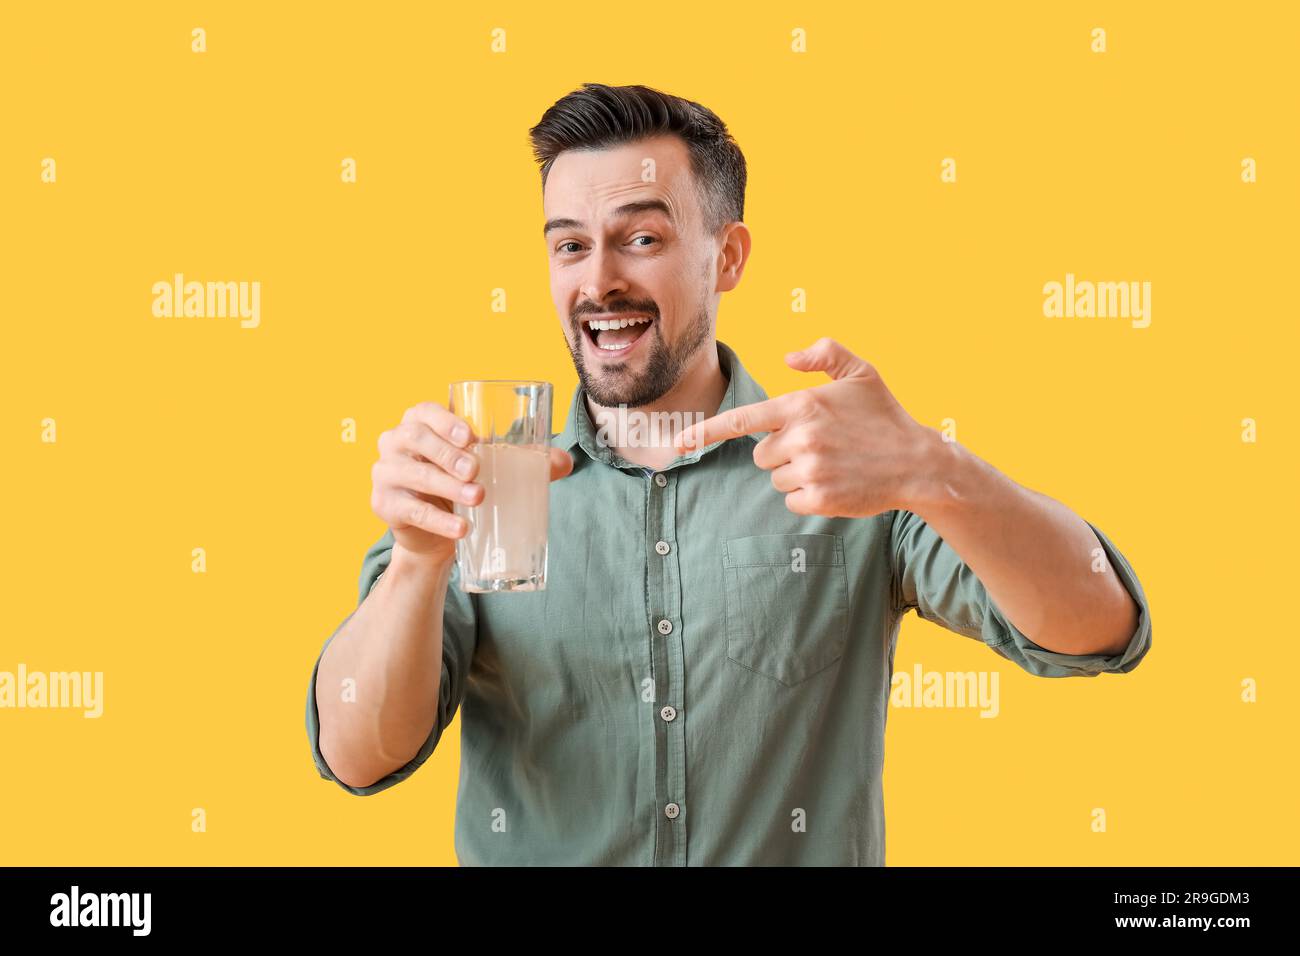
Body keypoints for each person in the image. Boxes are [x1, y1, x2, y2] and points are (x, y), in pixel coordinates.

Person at [305, 83, 1152, 866]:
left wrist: (936, 469)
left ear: (728, 257)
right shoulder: (487, 485)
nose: (598, 282)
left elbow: (1097, 625)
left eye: (642, 239)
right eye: (570, 246)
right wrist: (417, 562)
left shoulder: (849, 469)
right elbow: (357, 754)